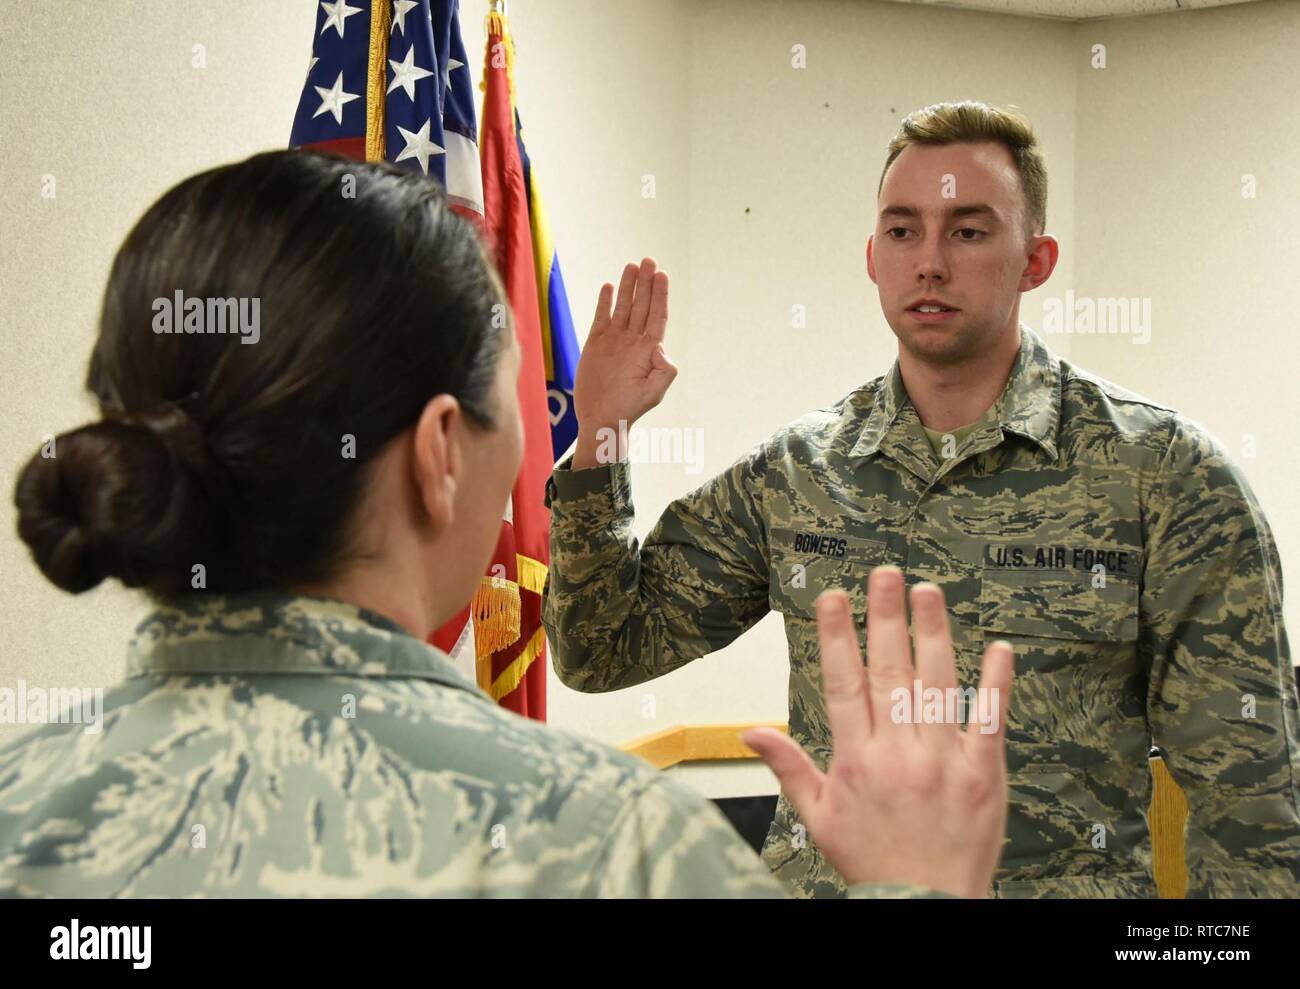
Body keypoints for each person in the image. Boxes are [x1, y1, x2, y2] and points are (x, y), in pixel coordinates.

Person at [1, 149, 1012, 898]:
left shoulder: (20, 806)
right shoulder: (607, 846)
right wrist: (919, 885)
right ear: (443, 452)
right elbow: (605, 642)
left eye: (968, 229)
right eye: (518, 397)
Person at [543, 100, 1300, 898]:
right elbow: (602, 650)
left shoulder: (1166, 476)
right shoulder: (799, 469)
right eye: (904, 231)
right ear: (873, 256)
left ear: (1036, 260)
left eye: (968, 231)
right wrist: (602, 436)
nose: (930, 262)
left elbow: (1250, 806)